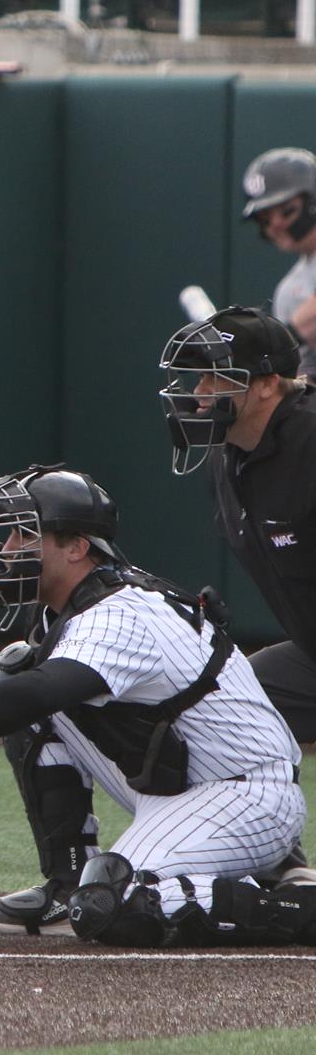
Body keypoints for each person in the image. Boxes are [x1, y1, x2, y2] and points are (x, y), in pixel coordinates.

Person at [0, 464, 312, 948]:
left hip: (248, 799)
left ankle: (297, 906)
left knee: (114, 905)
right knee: (20, 673)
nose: (6, 552)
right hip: (183, 786)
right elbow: (31, 694)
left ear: (76, 547)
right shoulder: (65, 613)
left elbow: (39, 693)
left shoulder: (120, 613)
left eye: (23, 537)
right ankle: (65, 886)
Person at [159, 306, 316, 744]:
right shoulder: (227, 457)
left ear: (267, 385)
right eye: (199, 378)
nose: (200, 392)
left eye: (217, 378)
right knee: (205, 705)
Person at [239, 147, 316, 377]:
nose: (276, 225)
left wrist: (285, 338)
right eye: (265, 219)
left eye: (286, 211)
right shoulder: (289, 289)